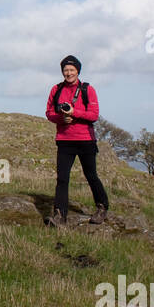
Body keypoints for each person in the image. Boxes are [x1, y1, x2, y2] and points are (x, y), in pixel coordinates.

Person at [44, 54, 109, 226]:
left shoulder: (88, 89)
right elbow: (49, 113)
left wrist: (74, 113)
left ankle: (102, 208)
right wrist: (61, 119)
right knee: (62, 178)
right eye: (65, 70)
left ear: (78, 71)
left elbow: (94, 115)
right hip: (65, 140)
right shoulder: (56, 89)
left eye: (72, 70)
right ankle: (59, 216)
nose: (68, 73)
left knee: (91, 175)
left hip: (86, 140)